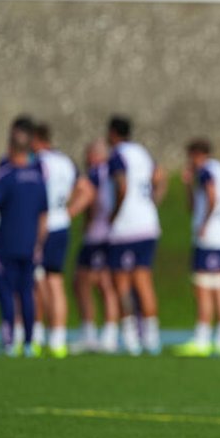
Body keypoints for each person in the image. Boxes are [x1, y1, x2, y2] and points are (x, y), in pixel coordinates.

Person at [31, 122, 95, 358]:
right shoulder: (65, 161)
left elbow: (36, 198)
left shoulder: (38, 163)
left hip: (42, 225)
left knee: (37, 281)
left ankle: (35, 336)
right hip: (61, 225)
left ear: (36, 140)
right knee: (55, 282)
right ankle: (57, 340)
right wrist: (68, 213)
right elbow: (87, 191)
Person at [0, 116, 48, 357]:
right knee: (26, 293)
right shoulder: (37, 177)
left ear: (10, 147)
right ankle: (31, 342)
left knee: (6, 293)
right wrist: (39, 243)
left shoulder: (5, 175)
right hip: (29, 246)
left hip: (5, 245)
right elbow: (44, 216)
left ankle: (10, 342)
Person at [106, 115, 167, 356]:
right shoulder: (142, 152)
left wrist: (114, 214)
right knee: (144, 281)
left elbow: (121, 186)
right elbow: (160, 177)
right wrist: (152, 203)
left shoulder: (118, 154)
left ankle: (131, 338)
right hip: (148, 223)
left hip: (127, 226)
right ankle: (152, 337)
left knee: (123, 284)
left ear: (112, 133)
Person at [175, 138, 220, 357]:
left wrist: (205, 223)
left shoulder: (206, 171)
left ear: (196, 154)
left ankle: (202, 338)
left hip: (211, 236)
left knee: (203, 288)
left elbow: (208, 197)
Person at [71, 139, 120, 354]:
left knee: (84, 282)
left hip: (99, 235)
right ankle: (108, 333)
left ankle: (91, 332)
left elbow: (90, 196)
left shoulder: (97, 172)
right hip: (112, 234)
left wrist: (69, 214)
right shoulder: (114, 170)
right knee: (105, 284)